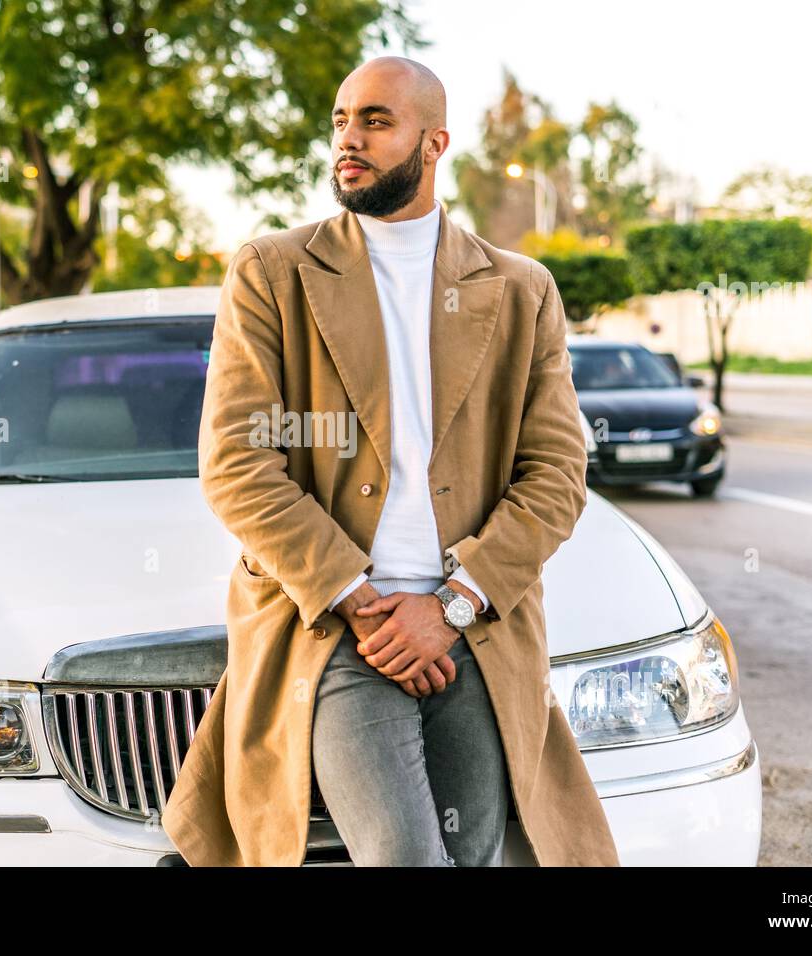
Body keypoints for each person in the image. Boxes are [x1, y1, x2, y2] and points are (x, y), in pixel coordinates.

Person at [161, 56, 620, 868]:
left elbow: (555, 475)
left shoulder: (520, 289)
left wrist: (449, 606)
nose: (350, 139)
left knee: (472, 852)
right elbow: (237, 460)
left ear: (433, 142)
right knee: (406, 855)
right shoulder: (275, 273)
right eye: (341, 120)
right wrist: (363, 600)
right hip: (337, 626)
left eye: (376, 121)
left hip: (474, 627)